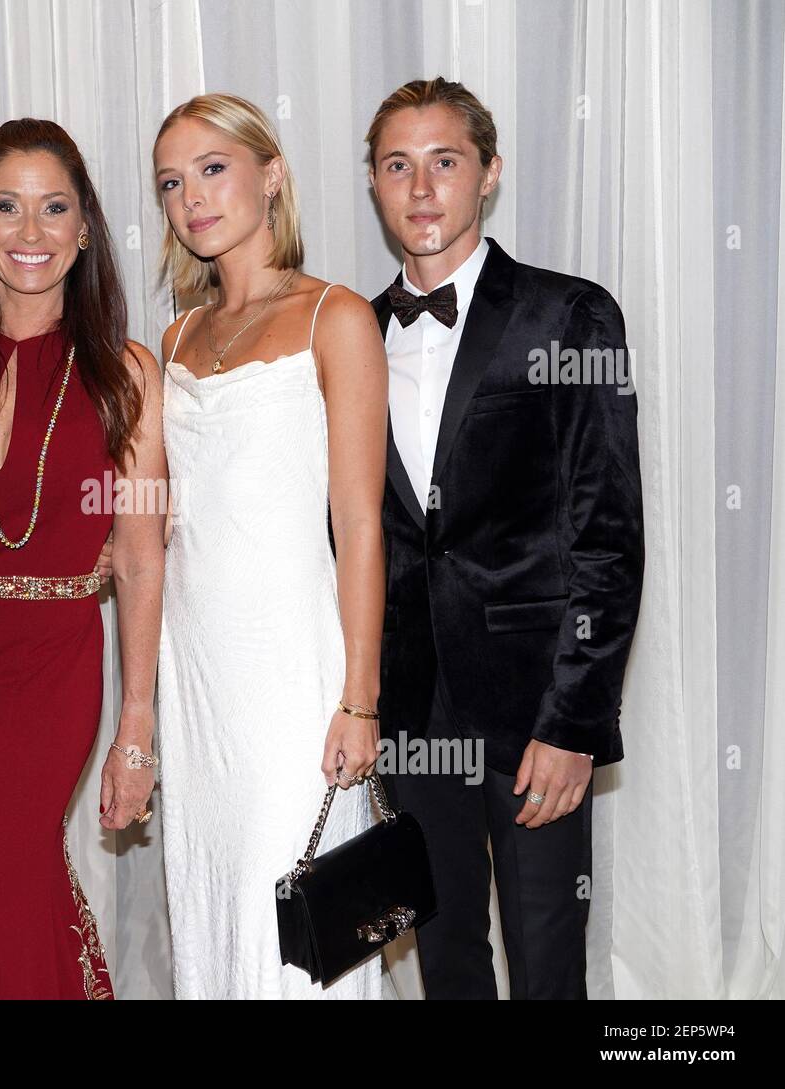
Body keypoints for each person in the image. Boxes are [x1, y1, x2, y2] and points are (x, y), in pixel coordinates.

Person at [365, 77, 644, 999]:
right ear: (373, 183)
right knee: (444, 960)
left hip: (535, 710)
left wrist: (574, 722)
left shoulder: (570, 315)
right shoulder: (349, 335)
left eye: (444, 162)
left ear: (489, 174)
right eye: (397, 165)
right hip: (411, 713)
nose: (421, 189)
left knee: (547, 957)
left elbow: (606, 536)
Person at [0, 118, 166, 999]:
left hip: (49, 671)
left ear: (86, 228)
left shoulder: (126, 373)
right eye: (6, 207)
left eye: (54, 208)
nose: (30, 232)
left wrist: (136, 726)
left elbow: (137, 557)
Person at [153, 93, 389, 999]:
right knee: (213, 895)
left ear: (271, 175)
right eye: (173, 182)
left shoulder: (337, 316)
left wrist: (359, 700)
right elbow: (172, 510)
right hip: (197, 676)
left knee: (295, 916)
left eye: (214, 169)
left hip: (293, 675)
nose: (193, 198)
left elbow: (361, 524)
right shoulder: (175, 335)